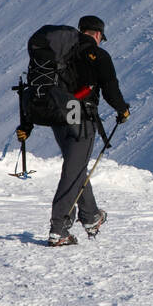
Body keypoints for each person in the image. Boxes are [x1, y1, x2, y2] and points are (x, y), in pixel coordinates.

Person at [44, 15, 130, 246]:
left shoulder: (61, 52)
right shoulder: (98, 55)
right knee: (73, 171)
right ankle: (59, 226)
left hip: (56, 115)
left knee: (76, 165)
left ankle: (91, 216)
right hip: (81, 116)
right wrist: (122, 110)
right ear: (98, 35)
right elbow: (111, 89)